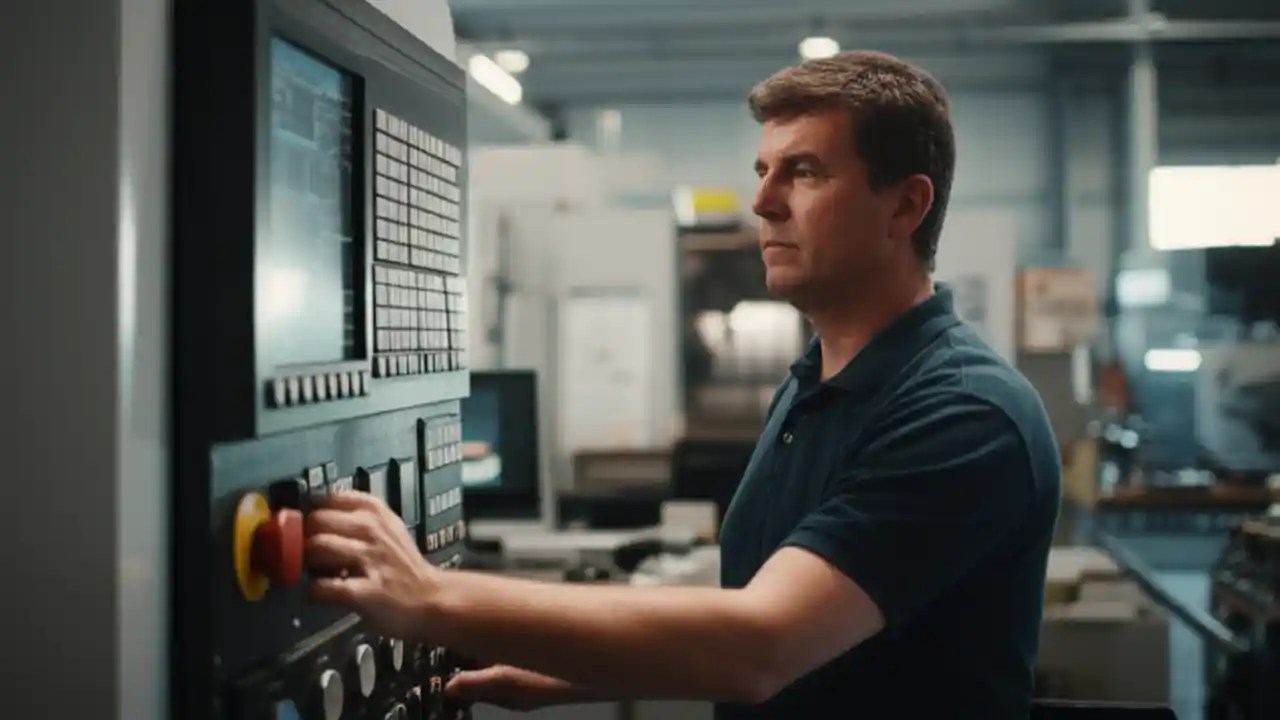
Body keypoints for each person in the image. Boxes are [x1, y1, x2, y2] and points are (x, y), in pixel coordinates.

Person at [304, 50, 1061, 718]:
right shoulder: (812, 385)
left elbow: (761, 644)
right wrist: (581, 674)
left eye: (804, 171)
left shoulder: (962, 411)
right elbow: (799, 638)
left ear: (906, 204)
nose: (763, 202)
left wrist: (430, 597)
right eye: (763, 172)